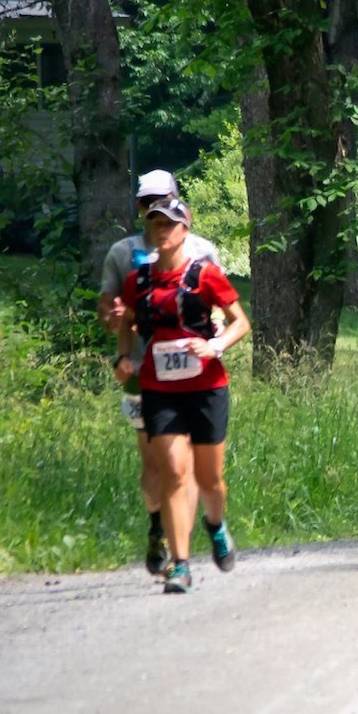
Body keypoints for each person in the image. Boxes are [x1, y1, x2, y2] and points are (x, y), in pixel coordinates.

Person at [113, 196, 250, 594]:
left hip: (207, 387)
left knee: (210, 480)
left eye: (170, 223)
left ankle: (215, 524)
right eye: (155, 223)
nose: (162, 230)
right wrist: (124, 356)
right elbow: (129, 322)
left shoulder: (205, 275)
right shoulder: (137, 281)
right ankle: (181, 565)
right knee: (174, 473)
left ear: (185, 230)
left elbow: (241, 322)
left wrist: (215, 346)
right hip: (159, 390)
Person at [96, 169, 221, 576]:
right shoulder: (122, 253)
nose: (154, 209)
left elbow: (218, 305)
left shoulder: (202, 250)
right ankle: (158, 528)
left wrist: (214, 333)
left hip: (194, 368)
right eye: (146, 203)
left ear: (176, 201)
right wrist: (116, 324)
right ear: (138, 208)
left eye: (161, 200)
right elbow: (109, 312)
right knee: (156, 466)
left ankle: (181, 549)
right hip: (143, 371)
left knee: (184, 467)